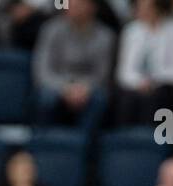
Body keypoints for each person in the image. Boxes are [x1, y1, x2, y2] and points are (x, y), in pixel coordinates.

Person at [32, 0, 115, 135]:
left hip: (87, 88)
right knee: (45, 98)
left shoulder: (105, 36)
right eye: (70, 3)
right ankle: (45, 145)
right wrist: (65, 88)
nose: (72, 8)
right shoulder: (51, 29)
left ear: (92, 7)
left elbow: (102, 74)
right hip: (58, 85)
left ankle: (82, 147)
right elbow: (42, 71)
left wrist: (84, 88)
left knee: (100, 98)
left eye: (78, 4)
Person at [114, 0, 173, 127]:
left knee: (158, 97)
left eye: (147, 6)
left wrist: (154, 81)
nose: (142, 10)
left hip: (167, 88)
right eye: (139, 6)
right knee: (125, 99)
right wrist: (140, 82)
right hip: (137, 87)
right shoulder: (131, 31)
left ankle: (154, 141)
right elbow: (124, 72)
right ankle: (124, 140)